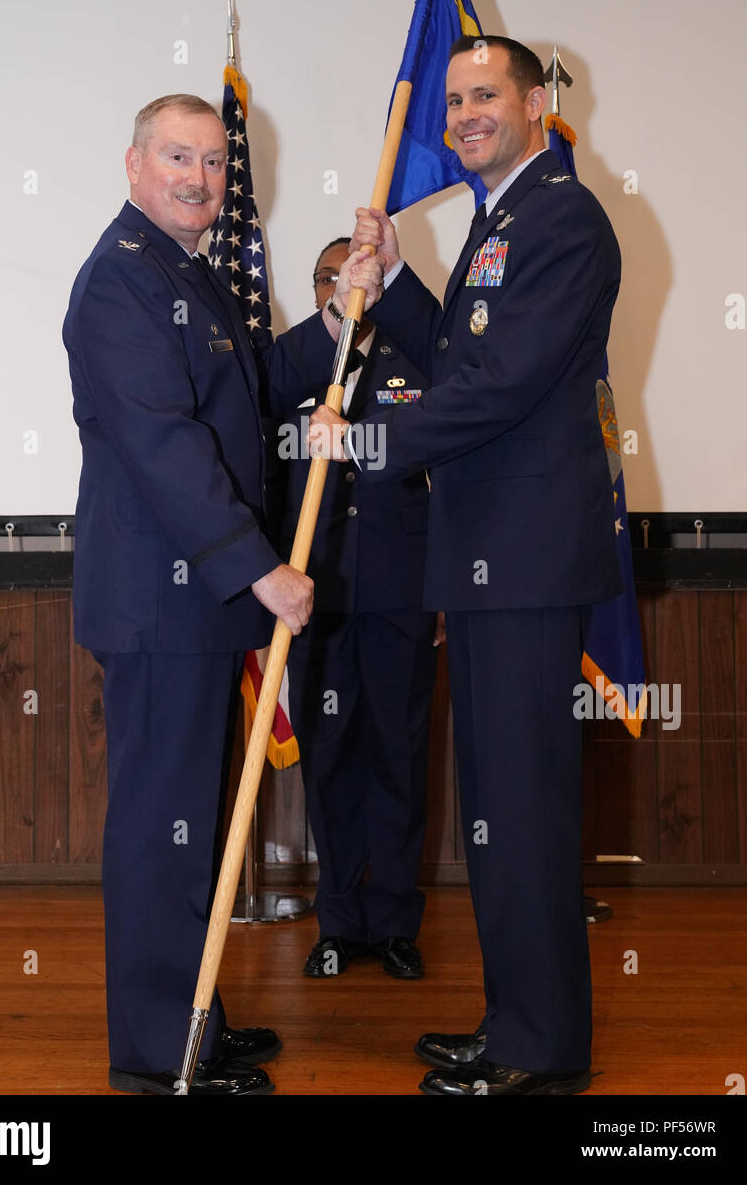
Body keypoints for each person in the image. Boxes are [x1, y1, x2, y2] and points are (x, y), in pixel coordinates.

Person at [308, 36, 623, 1095]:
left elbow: (500, 385)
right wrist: (395, 283)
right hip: (486, 561)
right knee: (496, 807)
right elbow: (463, 352)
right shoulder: (502, 219)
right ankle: (514, 1022)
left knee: (524, 809)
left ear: (537, 104)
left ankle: (539, 1046)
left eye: (486, 94)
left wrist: (365, 444)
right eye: (453, 99)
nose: (465, 113)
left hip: (527, 563)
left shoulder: (565, 217)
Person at [62, 94, 382, 1095]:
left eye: (210, 161)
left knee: (192, 825)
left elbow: (247, 388)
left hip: (193, 607)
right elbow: (166, 449)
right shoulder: (118, 285)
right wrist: (260, 564)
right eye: (176, 157)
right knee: (163, 826)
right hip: (164, 606)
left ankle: (193, 1014)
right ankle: (160, 1051)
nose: (198, 176)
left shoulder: (184, 277)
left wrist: (336, 316)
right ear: (133, 164)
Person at [277, 238, 440, 982]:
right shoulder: (290, 364)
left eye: (357, 276)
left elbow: (443, 463)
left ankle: (396, 921)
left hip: (400, 596)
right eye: (328, 277)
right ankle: (339, 921)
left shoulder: (416, 358)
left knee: (398, 757)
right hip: (314, 598)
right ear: (314, 287)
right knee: (330, 760)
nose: (344, 287)